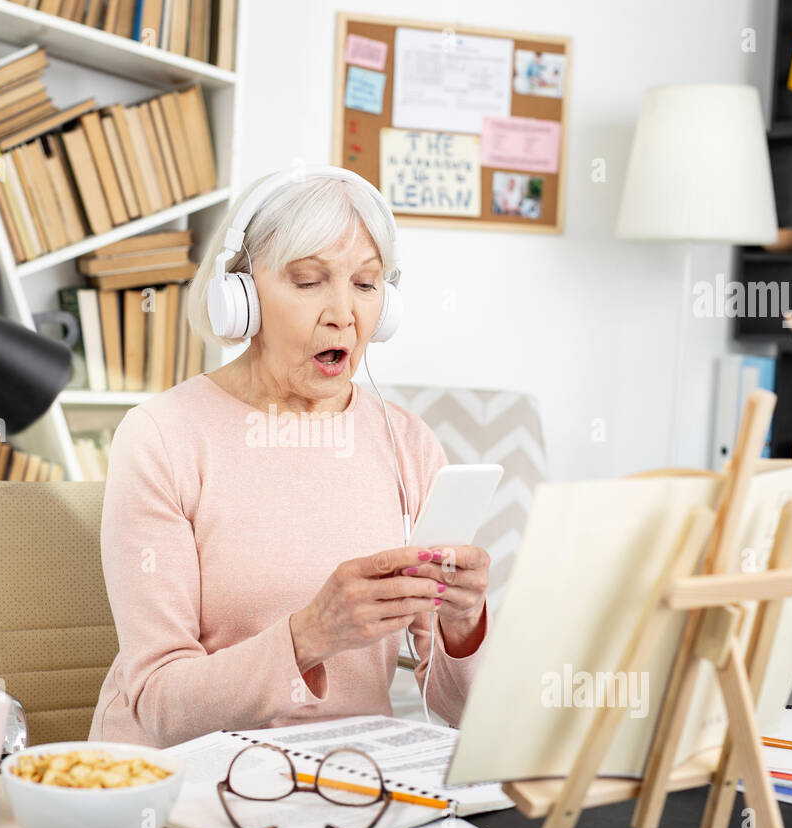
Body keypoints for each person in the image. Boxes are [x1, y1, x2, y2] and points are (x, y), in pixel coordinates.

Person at [88, 166, 491, 748]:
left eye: (366, 284)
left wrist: (463, 625)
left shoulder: (409, 444)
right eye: (308, 282)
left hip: (349, 779)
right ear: (241, 298)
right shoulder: (161, 436)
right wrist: (309, 637)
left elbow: (459, 711)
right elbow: (158, 705)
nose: (343, 314)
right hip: (182, 779)